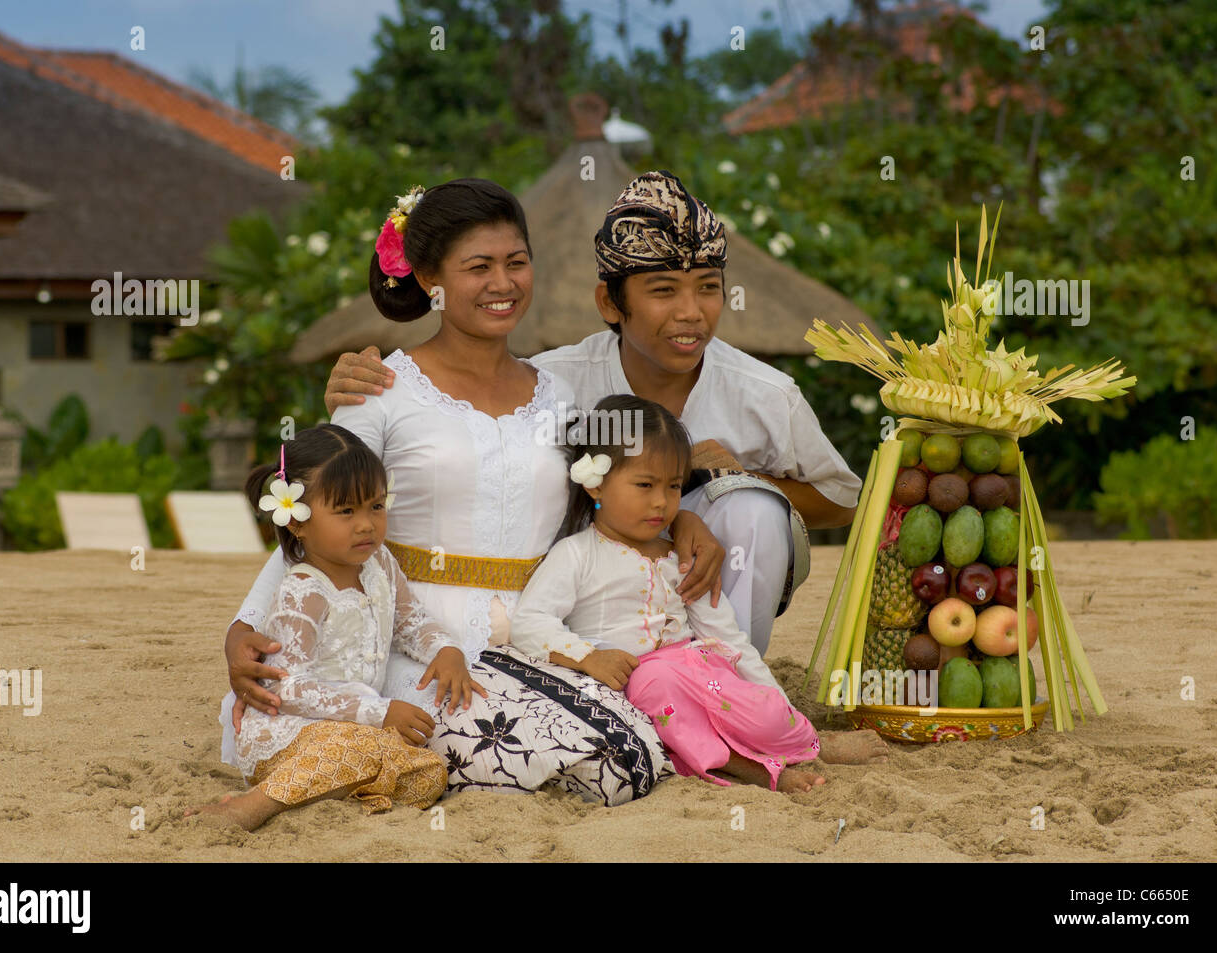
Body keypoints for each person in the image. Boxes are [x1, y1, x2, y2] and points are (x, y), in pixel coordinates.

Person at [223, 179, 732, 805]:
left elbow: (624, 487)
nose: (503, 282)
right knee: (605, 764)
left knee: (634, 751)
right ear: (431, 279)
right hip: (420, 646)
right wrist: (245, 623)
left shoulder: (560, 399)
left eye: (517, 262)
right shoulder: (379, 391)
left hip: (541, 633)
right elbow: (327, 525)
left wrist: (680, 522)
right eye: (479, 267)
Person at [321, 170, 862, 655]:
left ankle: (727, 683)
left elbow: (844, 499)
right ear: (609, 303)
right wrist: (367, 403)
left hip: (706, 571)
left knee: (749, 509)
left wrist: (734, 481)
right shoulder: (560, 384)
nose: (691, 313)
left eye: (709, 289)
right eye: (663, 290)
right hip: (579, 592)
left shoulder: (765, 391)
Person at [510, 395, 830, 793]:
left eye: (674, 486)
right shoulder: (575, 555)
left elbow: (729, 637)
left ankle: (809, 741)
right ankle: (746, 768)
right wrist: (589, 657)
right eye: (645, 485)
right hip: (632, 692)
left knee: (762, 709)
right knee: (656, 678)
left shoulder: (680, 558)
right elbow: (529, 622)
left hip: (703, 683)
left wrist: (776, 701)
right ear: (596, 484)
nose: (661, 502)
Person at [190, 424, 474, 831]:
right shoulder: (303, 591)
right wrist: (378, 712)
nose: (366, 525)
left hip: (351, 732)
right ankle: (255, 803)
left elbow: (412, 622)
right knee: (356, 748)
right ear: (298, 523)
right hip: (290, 733)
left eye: (376, 506)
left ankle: (316, 796)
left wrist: (446, 650)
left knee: (428, 771)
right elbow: (283, 687)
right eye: (346, 511)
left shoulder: (381, 566)